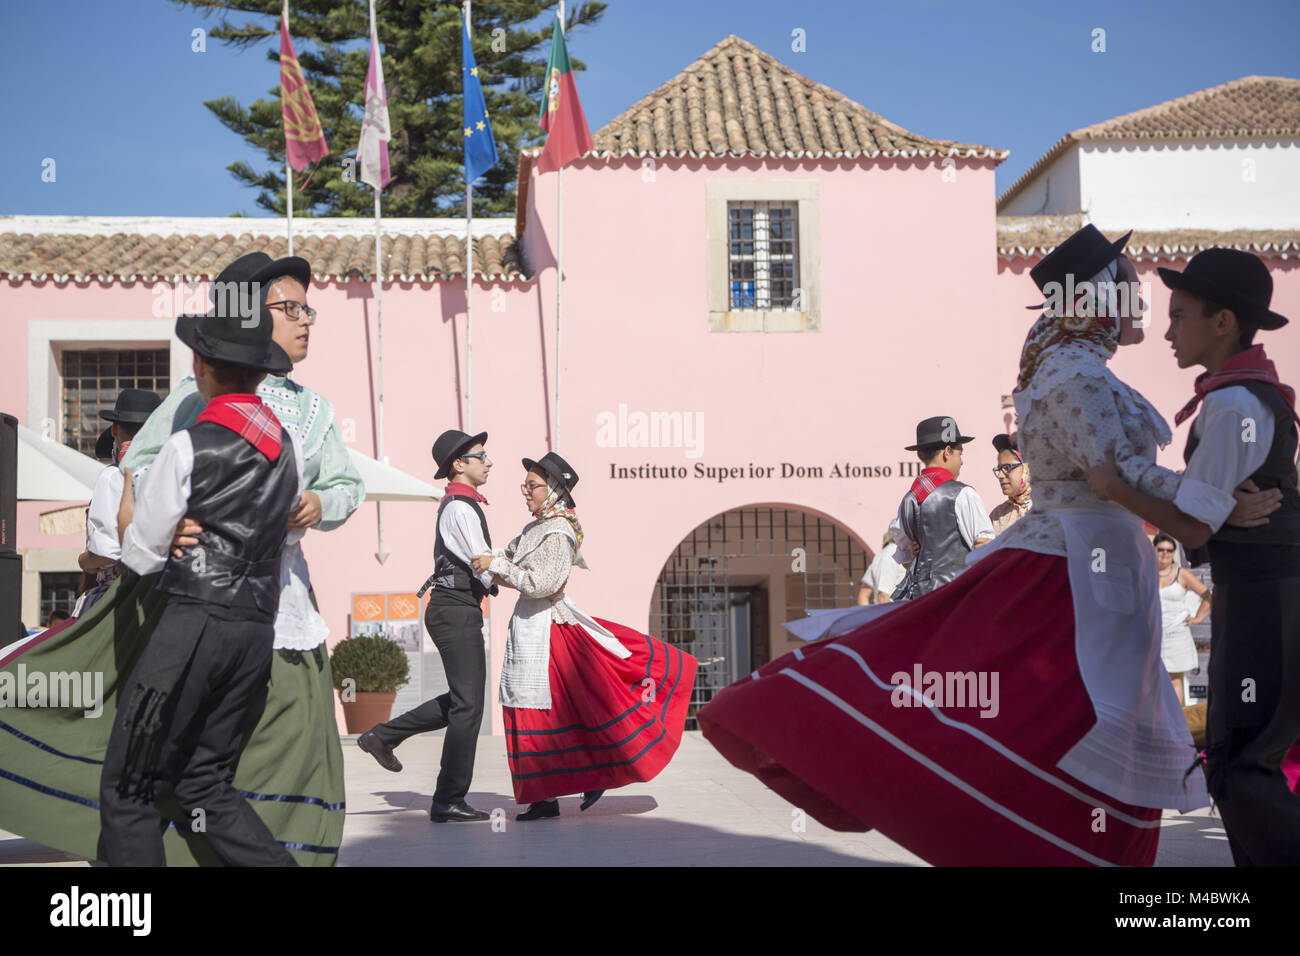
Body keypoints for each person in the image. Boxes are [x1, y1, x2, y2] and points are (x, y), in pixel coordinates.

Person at [697, 225, 1278, 866]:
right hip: (1078, 564)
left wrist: (1204, 501)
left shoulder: (1068, 367)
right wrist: (1214, 500)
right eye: (1127, 287)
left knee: (1058, 710)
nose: (1140, 304)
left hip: (1088, 558)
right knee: (1066, 711)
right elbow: (1115, 471)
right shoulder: (1073, 373)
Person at [0, 252, 361, 866]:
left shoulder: (312, 409)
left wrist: (319, 502)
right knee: (192, 764)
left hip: (261, 601)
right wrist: (178, 523)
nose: (306, 319)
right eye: (290, 307)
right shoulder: (191, 404)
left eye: (308, 309)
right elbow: (138, 467)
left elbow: (346, 486)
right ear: (248, 316)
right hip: (218, 600)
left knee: (258, 746)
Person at [1085, 247, 1300, 866]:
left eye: (1180, 316)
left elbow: (1193, 530)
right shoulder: (1244, 396)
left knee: (1241, 766)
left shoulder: (1234, 405)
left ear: (1224, 321)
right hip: (1263, 591)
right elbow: (1208, 510)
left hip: (1266, 596)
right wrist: (1221, 508)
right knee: (1239, 763)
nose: (1170, 332)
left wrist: (1112, 485)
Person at [100, 274, 304, 866]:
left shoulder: (188, 444)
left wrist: (132, 515)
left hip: (193, 622)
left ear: (200, 364)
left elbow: (138, 553)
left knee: (129, 787)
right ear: (262, 372)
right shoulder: (286, 445)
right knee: (204, 785)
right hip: (255, 629)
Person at [469, 452, 697, 820]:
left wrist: (495, 566)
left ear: (554, 490)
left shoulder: (558, 533)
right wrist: (490, 563)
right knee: (545, 713)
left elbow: (544, 583)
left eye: (532, 485)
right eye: (524, 485)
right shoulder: (533, 530)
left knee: (561, 710)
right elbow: (508, 558)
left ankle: (590, 774)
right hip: (533, 626)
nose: (525, 492)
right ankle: (544, 796)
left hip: (551, 630)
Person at [357, 430, 497, 823]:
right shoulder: (460, 508)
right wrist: (521, 572)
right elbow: (482, 563)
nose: (489, 462)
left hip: (455, 607)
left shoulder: (463, 504)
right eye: (481, 455)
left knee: (462, 702)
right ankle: (447, 799)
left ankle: (382, 736)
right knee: (468, 705)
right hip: (453, 607)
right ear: (459, 464)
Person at [73, 388, 163, 617]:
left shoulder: (113, 476)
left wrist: (85, 561)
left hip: (116, 600)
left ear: (114, 429)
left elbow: (107, 552)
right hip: (160, 598)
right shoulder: (169, 470)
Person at [890, 416, 994, 601]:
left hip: (919, 601)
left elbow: (906, 560)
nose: (962, 461)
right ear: (947, 452)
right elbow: (984, 546)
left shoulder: (907, 501)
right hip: (957, 597)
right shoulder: (963, 494)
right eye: (960, 453)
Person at [1153, 533, 1210, 704]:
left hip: (1176, 634)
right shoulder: (1145, 572)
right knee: (1150, 681)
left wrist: (1198, 618)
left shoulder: (1182, 574)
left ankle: (1177, 723)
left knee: (1174, 680)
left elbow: (1207, 595)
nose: (1165, 554)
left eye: (1169, 550)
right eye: (1161, 550)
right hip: (1152, 633)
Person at [989, 432, 1032, 535]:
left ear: (1027, 468)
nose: (1000, 475)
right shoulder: (997, 515)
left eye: (1007, 468)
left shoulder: (1047, 510)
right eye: (999, 469)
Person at [857, 524, 905, 605]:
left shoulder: (883, 555)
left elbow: (863, 594)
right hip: (895, 613)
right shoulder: (892, 554)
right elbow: (883, 595)